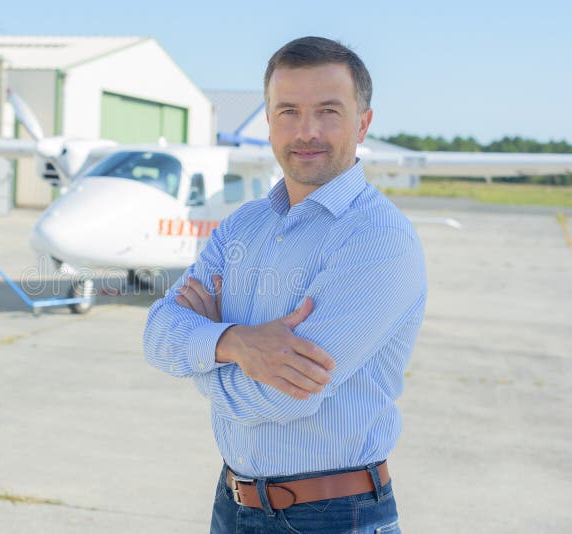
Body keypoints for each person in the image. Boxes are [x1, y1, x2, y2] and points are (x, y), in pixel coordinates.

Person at [143, 36, 426, 533]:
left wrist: (203, 353)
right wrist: (234, 343)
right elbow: (157, 333)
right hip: (232, 505)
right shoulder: (242, 225)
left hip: (335, 516)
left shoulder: (378, 239)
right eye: (289, 111)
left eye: (328, 111)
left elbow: (279, 396)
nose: (307, 131)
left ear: (363, 123)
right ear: (269, 121)